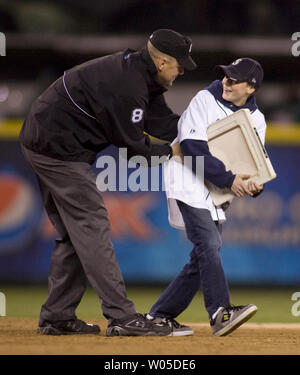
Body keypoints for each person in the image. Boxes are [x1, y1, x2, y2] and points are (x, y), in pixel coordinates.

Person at [19, 29, 197, 337]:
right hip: (57, 148)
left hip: (48, 140)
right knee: (93, 223)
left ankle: (57, 317)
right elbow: (133, 148)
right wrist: (172, 152)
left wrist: (202, 136)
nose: (182, 70)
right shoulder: (128, 86)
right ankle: (122, 316)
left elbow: (164, 124)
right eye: (179, 64)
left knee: (76, 234)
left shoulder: (141, 75)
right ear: (163, 61)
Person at [146, 57, 266, 337]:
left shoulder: (257, 120)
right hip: (187, 178)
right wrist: (229, 179)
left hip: (215, 190)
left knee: (202, 256)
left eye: (234, 79)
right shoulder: (205, 99)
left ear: (251, 87)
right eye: (225, 76)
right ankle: (220, 312)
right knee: (209, 243)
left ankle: (159, 316)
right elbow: (191, 148)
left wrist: (254, 185)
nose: (227, 82)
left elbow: (253, 163)